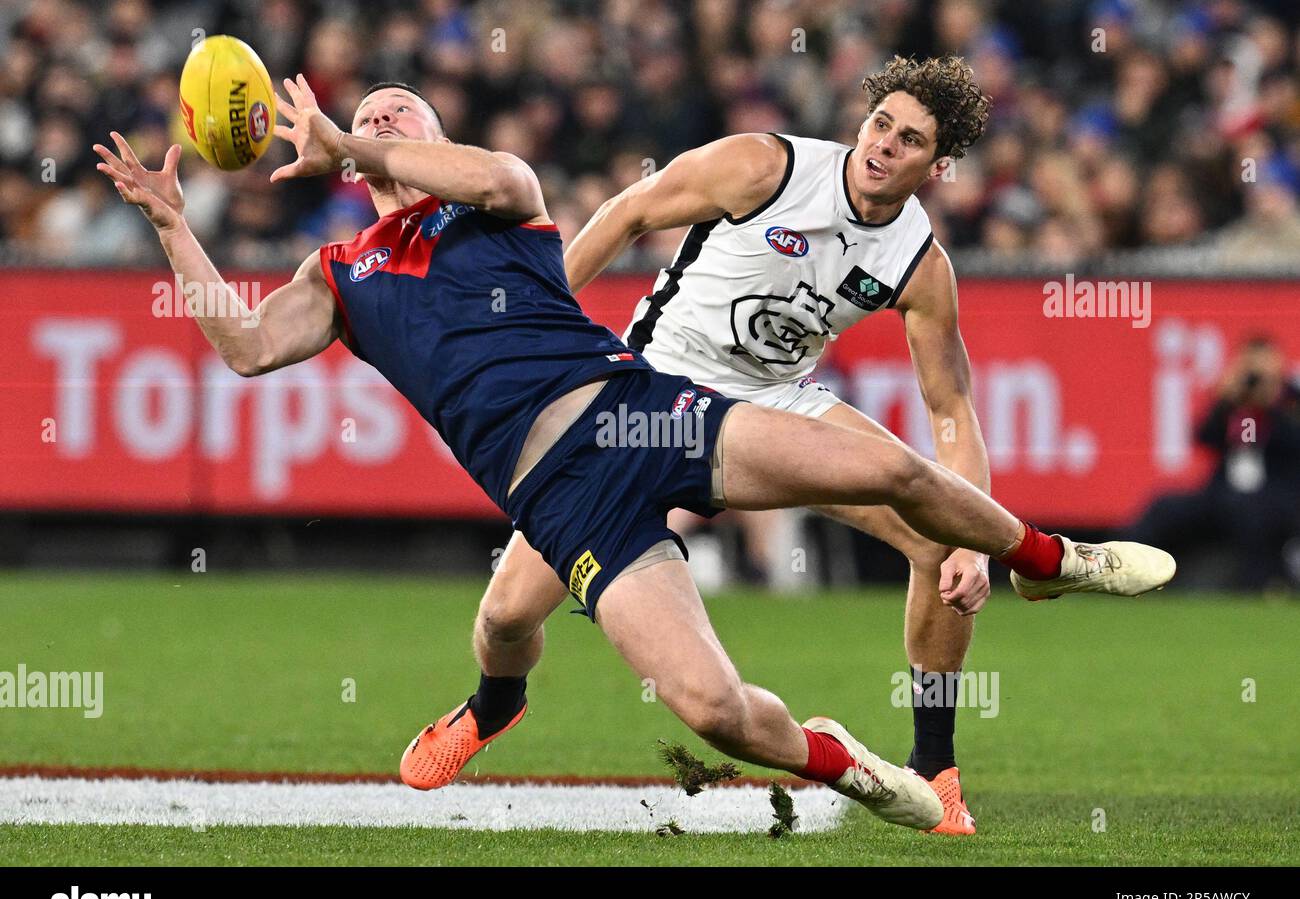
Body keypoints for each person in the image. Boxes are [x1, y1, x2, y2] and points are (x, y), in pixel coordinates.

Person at [93, 76, 1174, 832]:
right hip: (564, 497)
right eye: (366, 117)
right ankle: (535, 712)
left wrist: (356, 141)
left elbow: (496, 167)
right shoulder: (336, 274)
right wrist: (172, 229)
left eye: (398, 114)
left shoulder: (500, 203)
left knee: (895, 474)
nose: (375, 121)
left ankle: (1051, 562)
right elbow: (240, 348)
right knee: (646, 682)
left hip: (640, 412)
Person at [476, 54, 993, 834]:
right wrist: (542, 322)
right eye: (880, 123)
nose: (884, 145)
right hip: (651, 392)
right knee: (509, 614)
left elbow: (951, 407)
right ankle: (495, 704)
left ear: (938, 163)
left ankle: (936, 768)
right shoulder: (765, 166)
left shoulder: (920, 266)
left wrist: (977, 542)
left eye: (910, 139)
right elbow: (628, 212)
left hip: (772, 405)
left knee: (938, 537)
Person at [1133, 336, 1300, 590]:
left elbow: (1291, 443)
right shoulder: (1233, 403)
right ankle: (1130, 574)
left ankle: (1259, 588)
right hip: (1225, 493)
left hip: (1275, 495)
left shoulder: (1290, 399)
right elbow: (1204, 437)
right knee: (1163, 507)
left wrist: (1271, 406)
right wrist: (1226, 403)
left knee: (1254, 517)